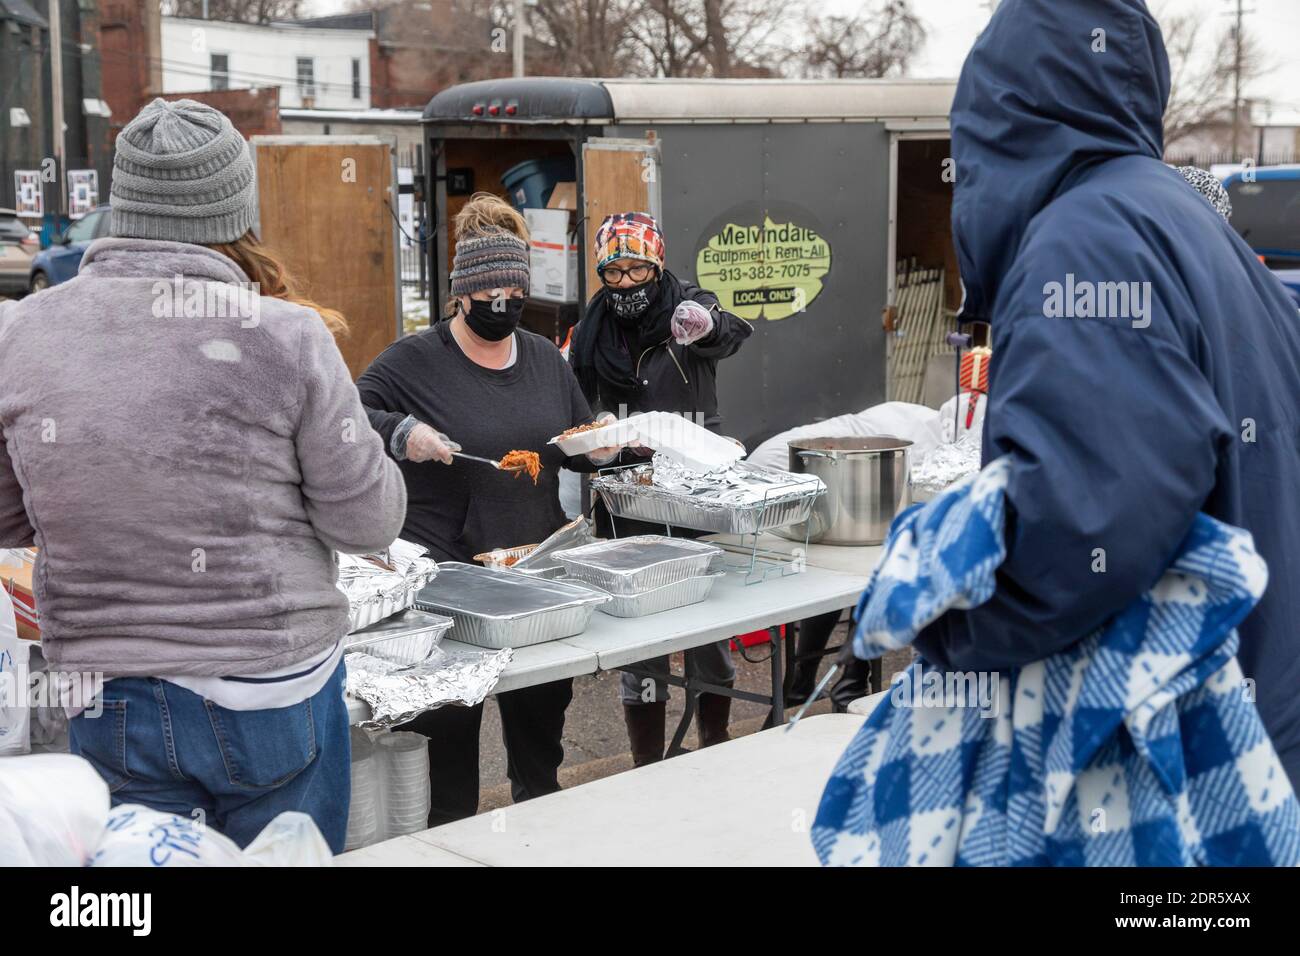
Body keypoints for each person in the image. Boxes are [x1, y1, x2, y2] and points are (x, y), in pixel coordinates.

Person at [0, 99, 407, 852]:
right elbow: (369, 521)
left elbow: (8, 516)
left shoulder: (23, 330)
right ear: (235, 209)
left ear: (124, 203)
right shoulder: (287, 335)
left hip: (109, 693)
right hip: (270, 690)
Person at [912, 0, 1300, 789]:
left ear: (995, 116)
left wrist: (934, 600)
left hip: (1156, 774)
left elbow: (1085, 533)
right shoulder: (1196, 227)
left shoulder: (1086, 243)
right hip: (1251, 745)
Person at [357, 192, 622, 825]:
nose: (502, 300)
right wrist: (402, 433)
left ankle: (537, 838)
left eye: (514, 286)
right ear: (461, 294)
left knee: (540, 749)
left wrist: (602, 445)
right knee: (449, 764)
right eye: (489, 289)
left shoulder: (540, 358)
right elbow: (343, 417)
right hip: (449, 589)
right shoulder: (414, 360)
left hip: (533, 579)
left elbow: (571, 443)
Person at [570, 211, 752, 765]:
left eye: (637, 268)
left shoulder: (686, 308)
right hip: (627, 503)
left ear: (658, 263)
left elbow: (731, 334)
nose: (626, 282)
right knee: (641, 648)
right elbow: (576, 415)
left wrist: (709, 323)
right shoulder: (589, 332)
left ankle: (714, 744)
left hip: (696, 498)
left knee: (709, 637)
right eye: (614, 271)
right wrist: (597, 444)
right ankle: (647, 765)